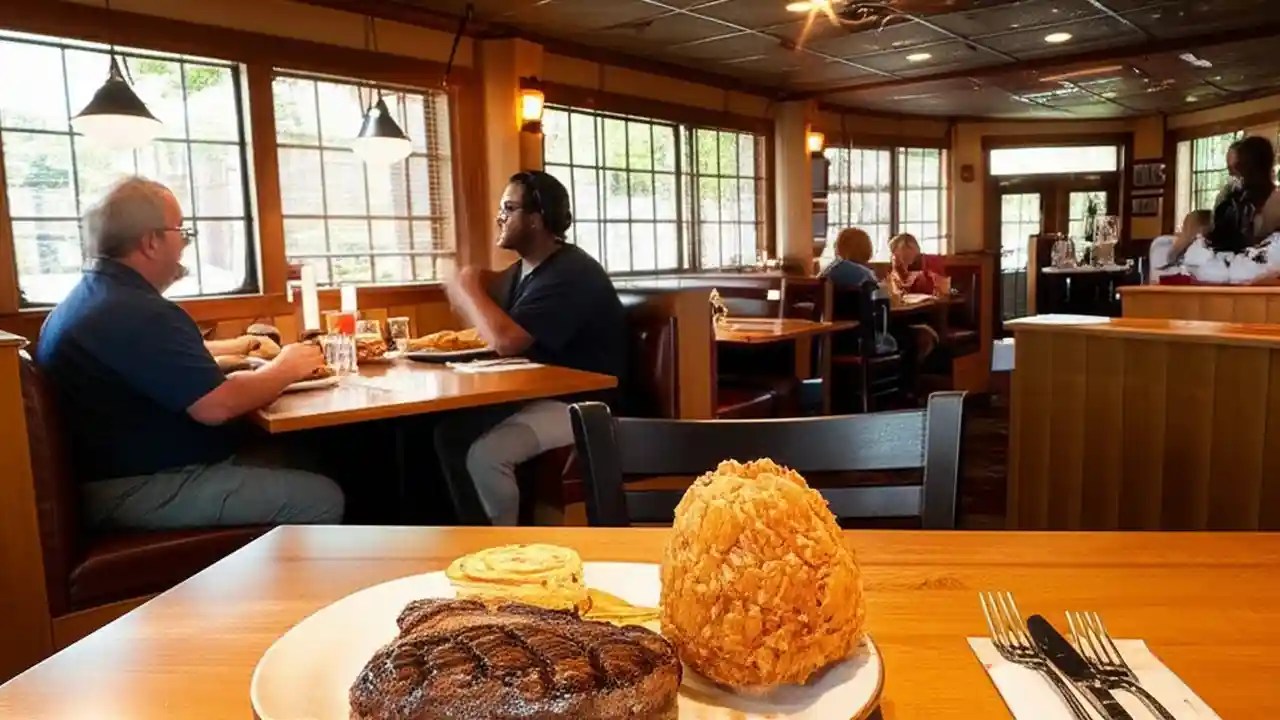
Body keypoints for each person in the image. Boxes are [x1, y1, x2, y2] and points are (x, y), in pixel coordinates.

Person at [36, 177, 344, 530]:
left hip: (115, 477)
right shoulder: (136, 311)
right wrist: (285, 367)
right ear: (151, 241)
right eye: (181, 232)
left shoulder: (96, 298)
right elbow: (217, 406)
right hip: (136, 487)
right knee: (322, 498)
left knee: (309, 454)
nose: (184, 245)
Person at [435, 171, 625, 525]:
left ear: (536, 219)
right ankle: (469, 536)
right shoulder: (526, 270)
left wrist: (468, 285)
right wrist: (472, 282)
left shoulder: (571, 272)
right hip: (537, 397)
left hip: (584, 405)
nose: (499, 217)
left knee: (485, 455)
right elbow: (487, 305)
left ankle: (502, 547)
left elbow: (508, 340)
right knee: (448, 432)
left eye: (509, 208)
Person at [1206, 135, 1280, 254]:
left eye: (1236, 168)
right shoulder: (1229, 200)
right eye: (1230, 170)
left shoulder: (1274, 201)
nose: (1233, 176)